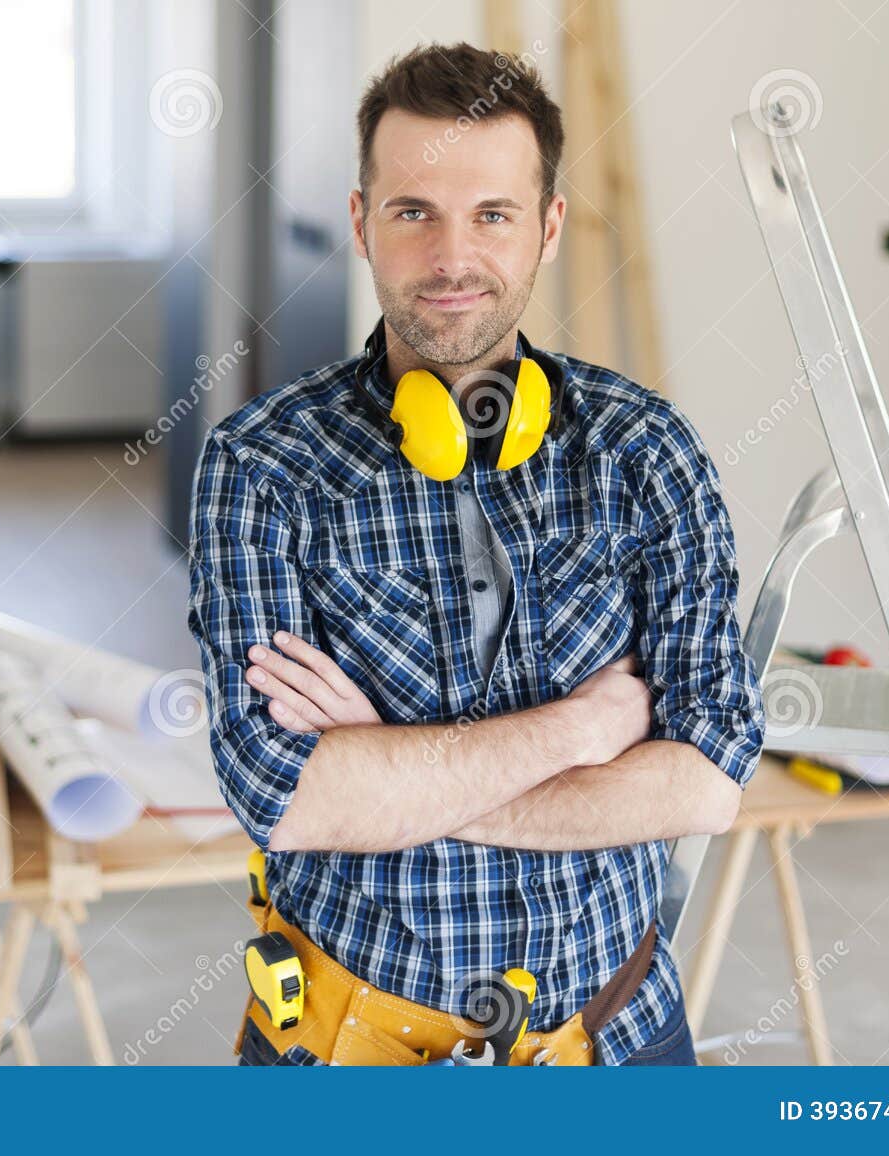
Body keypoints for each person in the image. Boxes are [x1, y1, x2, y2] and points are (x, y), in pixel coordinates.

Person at [187, 41, 764, 1067]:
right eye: (414, 212)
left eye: (492, 214)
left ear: (546, 228)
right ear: (362, 222)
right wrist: (584, 726)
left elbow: (707, 782)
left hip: (614, 1035)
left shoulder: (646, 451)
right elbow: (287, 796)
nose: (453, 259)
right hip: (348, 1047)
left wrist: (400, 771)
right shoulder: (262, 462)